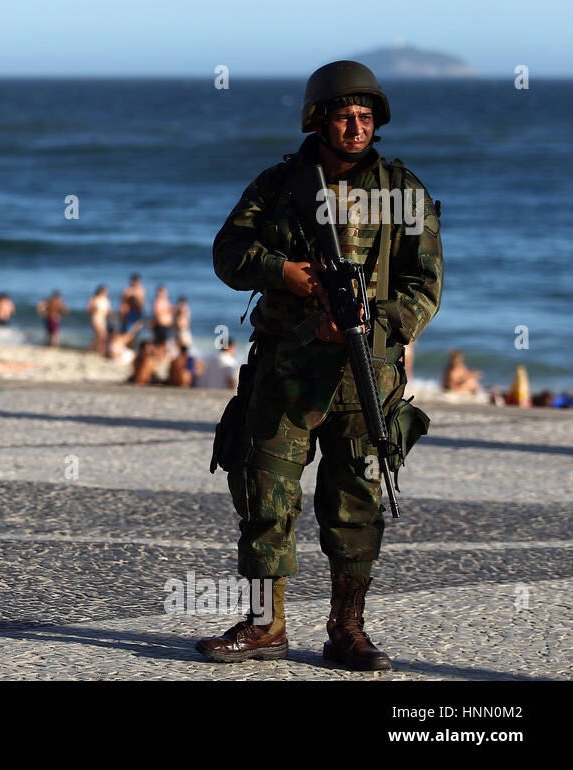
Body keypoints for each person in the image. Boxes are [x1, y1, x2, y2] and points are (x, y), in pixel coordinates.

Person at [200, 60, 442, 670]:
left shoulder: (402, 192)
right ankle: (264, 626)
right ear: (318, 120)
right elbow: (228, 253)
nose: (356, 128)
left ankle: (347, 631)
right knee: (265, 498)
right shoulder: (280, 185)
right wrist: (288, 274)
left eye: (365, 117)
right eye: (344, 116)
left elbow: (424, 284)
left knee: (354, 503)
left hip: (367, 374)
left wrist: (377, 323)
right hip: (286, 369)